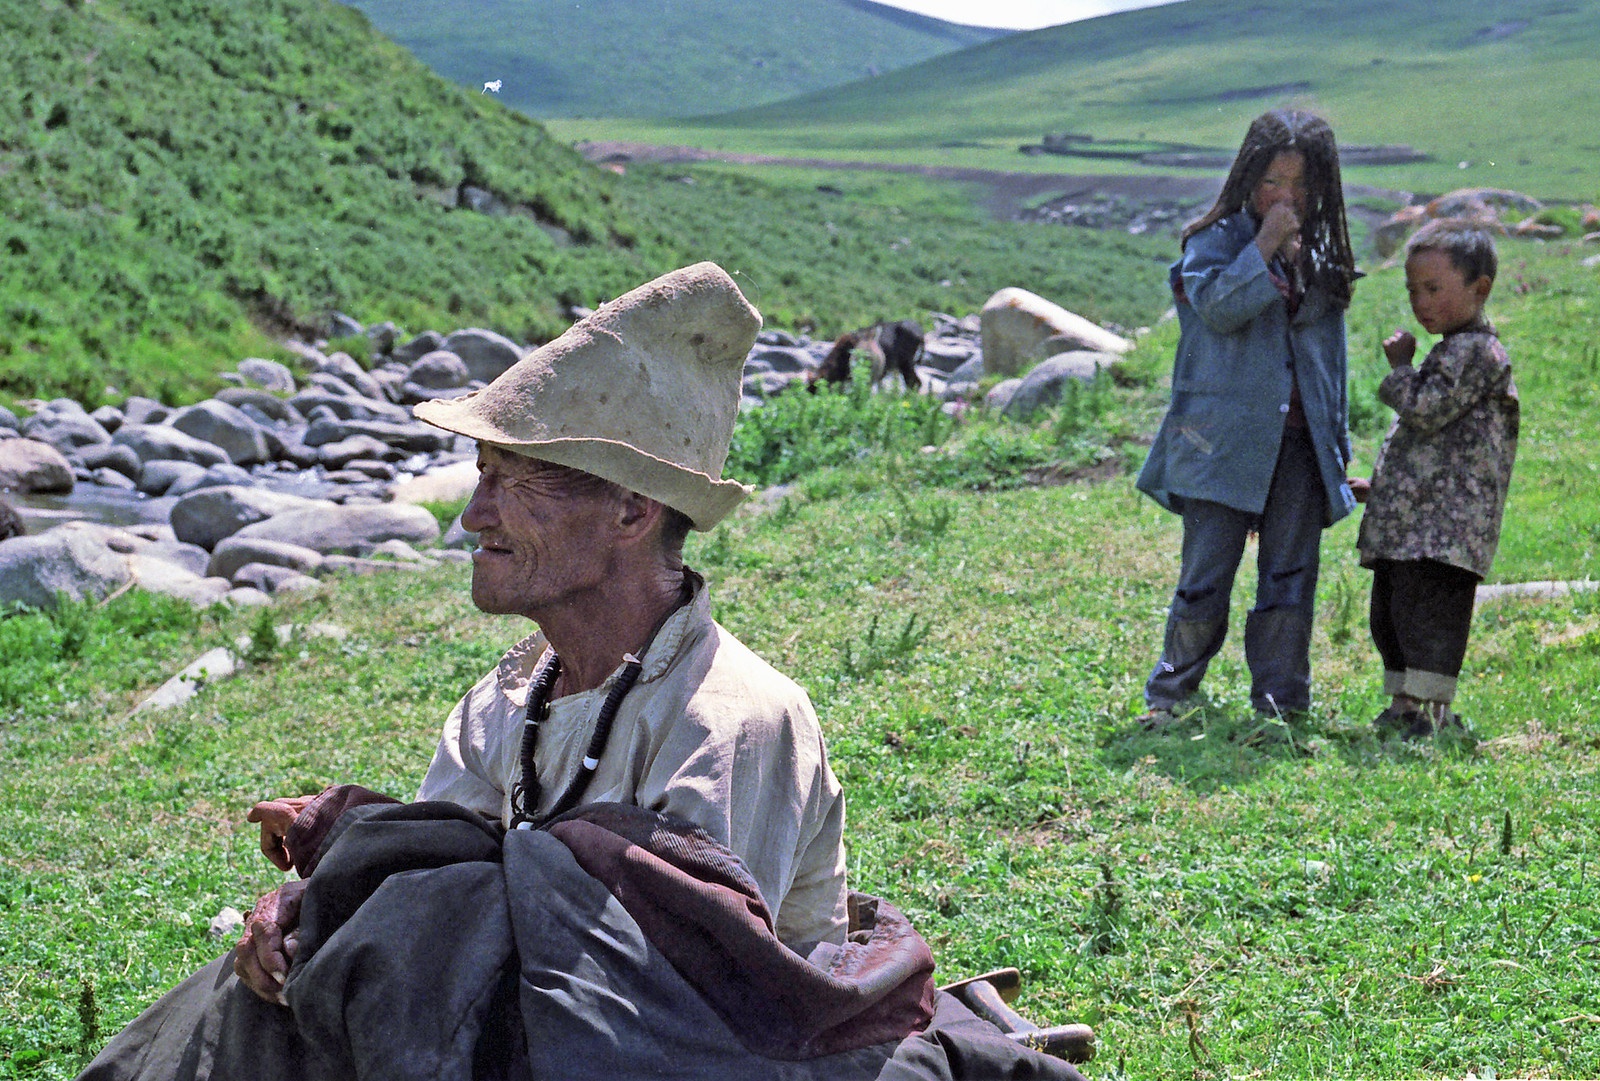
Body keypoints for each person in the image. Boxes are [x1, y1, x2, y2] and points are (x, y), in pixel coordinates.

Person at [78, 263, 894, 1080]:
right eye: (480, 474)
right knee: (259, 999)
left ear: (630, 512)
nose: (474, 514)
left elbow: (667, 1007)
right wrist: (310, 912)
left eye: (516, 482)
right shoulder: (505, 701)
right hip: (523, 1033)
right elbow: (426, 891)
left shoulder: (735, 722)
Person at [1134, 109, 1360, 727]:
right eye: (1271, 184)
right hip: (1220, 444)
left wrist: (1336, 451)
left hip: (1299, 446)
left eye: (1300, 187)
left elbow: (1329, 364)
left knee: (1290, 576)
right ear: (1246, 180)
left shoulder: (1320, 257)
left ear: (1322, 191)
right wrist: (1263, 250)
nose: (1285, 199)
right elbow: (1217, 307)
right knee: (1205, 575)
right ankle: (1171, 696)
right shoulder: (1215, 244)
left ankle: (1280, 703)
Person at [1353, 220, 1518, 739]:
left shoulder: (1477, 353)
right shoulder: (1452, 350)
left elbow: (1425, 412)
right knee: (1395, 613)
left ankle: (1428, 712)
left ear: (1480, 287)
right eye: (1412, 291)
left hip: (1445, 531)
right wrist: (1380, 491)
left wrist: (1401, 367)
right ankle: (1406, 707)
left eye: (1433, 289)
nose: (1420, 303)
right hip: (1417, 525)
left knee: (1429, 615)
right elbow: (1432, 447)